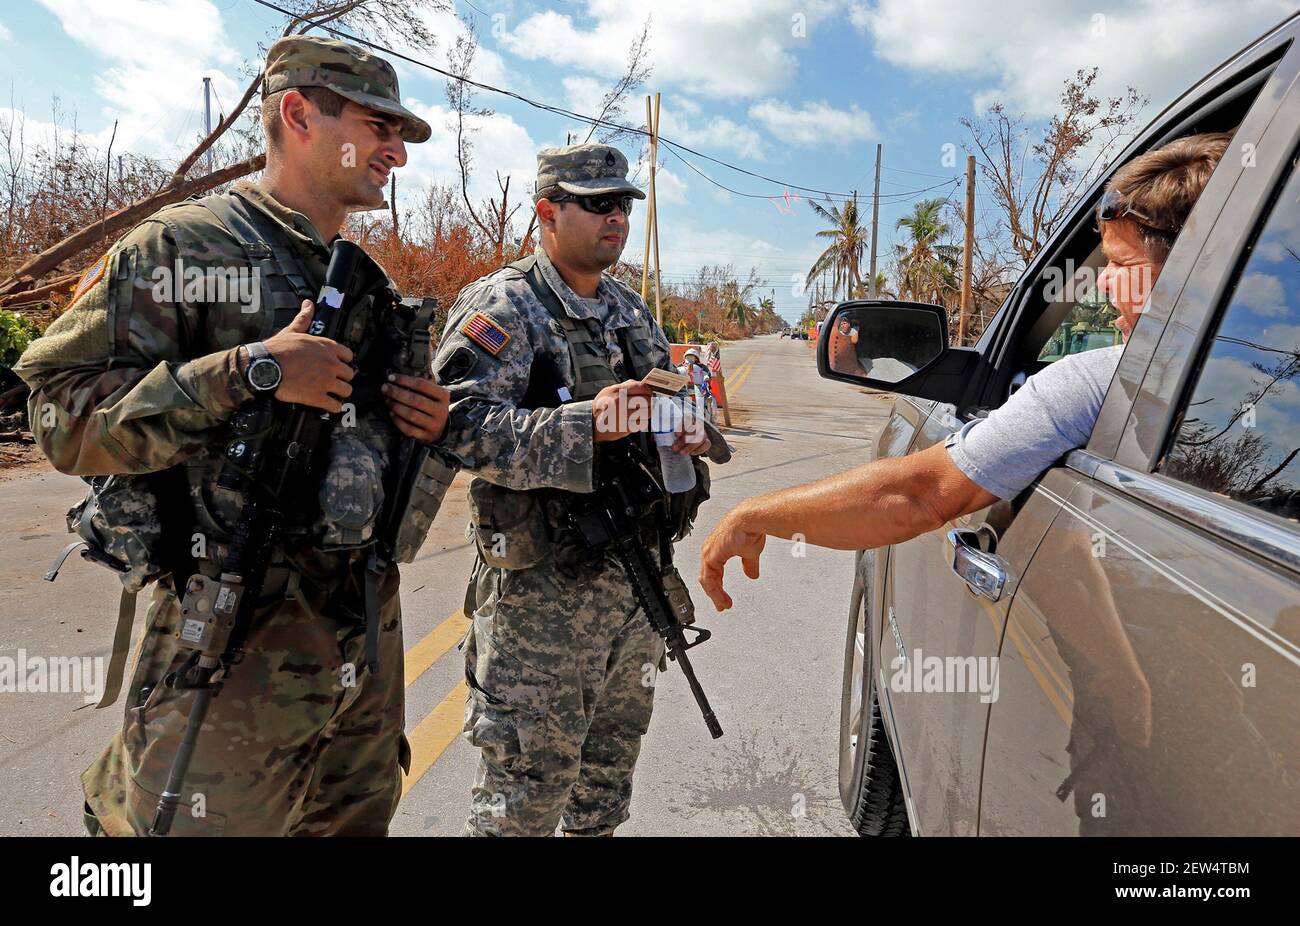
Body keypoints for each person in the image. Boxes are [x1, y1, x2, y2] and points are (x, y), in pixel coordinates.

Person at [15, 35, 452, 835]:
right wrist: (245, 372)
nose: (395, 150)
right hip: (229, 651)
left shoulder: (364, 280)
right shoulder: (183, 248)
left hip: (359, 655)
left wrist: (421, 426)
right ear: (298, 113)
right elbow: (58, 414)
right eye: (377, 125)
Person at [699, 132, 1230, 610]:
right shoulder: (1256, 381)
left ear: (1196, 268)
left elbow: (919, 495)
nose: (1104, 284)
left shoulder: (1105, 380)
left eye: (1121, 265)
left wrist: (752, 513)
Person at [432, 143, 728, 836]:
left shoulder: (630, 311)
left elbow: (686, 407)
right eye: (597, 204)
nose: (616, 218)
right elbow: (456, 427)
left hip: (633, 594)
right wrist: (583, 426)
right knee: (521, 802)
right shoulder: (505, 304)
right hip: (541, 605)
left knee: (602, 792)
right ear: (547, 212)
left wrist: (691, 432)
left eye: (623, 204)